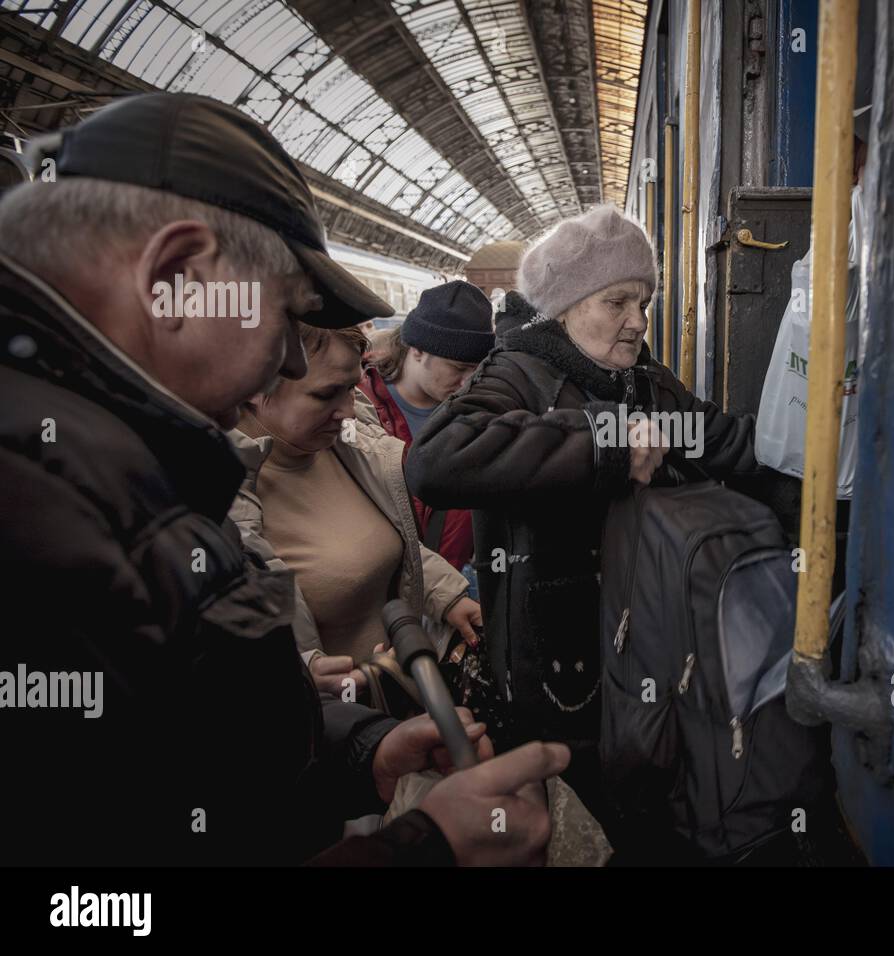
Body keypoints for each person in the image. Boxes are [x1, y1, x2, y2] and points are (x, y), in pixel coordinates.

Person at [0, 92, 566, 866]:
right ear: (177, 278)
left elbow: (185, 764)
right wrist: (427, 849)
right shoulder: (43, 510)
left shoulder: (105, 469)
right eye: (285, 315)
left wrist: (356, 752)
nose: (293, 364)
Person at [403, 205, 763, 854]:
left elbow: (725, 444)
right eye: (618, 300)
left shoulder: (648, 387)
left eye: (645, 301)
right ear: (566, 305)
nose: (638, 319)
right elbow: (440, 459)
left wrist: (830, 463)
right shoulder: (514, 375)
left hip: (652, 663)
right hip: (557, 686)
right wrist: (602, 444)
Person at [231, 322, 481, 697]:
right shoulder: (218, 497)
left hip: (398, 699)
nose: (348, 411)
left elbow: (392, 538)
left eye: (351, 387)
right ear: (253, 387)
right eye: (326, 394)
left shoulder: (349, 447)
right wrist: (300, 676)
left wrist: (449, 596)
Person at [359, 280, 494, 569]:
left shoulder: (481, 410)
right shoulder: (358, 406)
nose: (467, 382)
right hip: (384, 587)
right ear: (417, 349)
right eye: (458, 368)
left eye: (476, 369)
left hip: (454, 586)